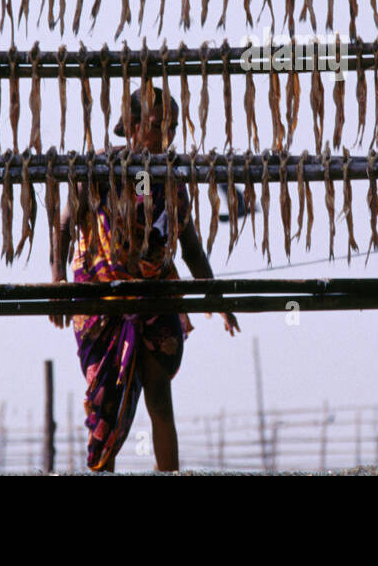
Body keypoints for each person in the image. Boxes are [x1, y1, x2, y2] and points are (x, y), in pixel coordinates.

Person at [49, 83, 239, 472]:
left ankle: (167, 472)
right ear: (133, 126)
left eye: (171, 127)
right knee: (107, 402)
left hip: (154, 297)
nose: (165, 135)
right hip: (103, 303)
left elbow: (191, 249)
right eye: (157, 126)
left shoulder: (171, 178)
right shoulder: (100, 168)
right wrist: (57, 281)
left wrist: (219, 302)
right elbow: (64, 223)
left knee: (159, 396)